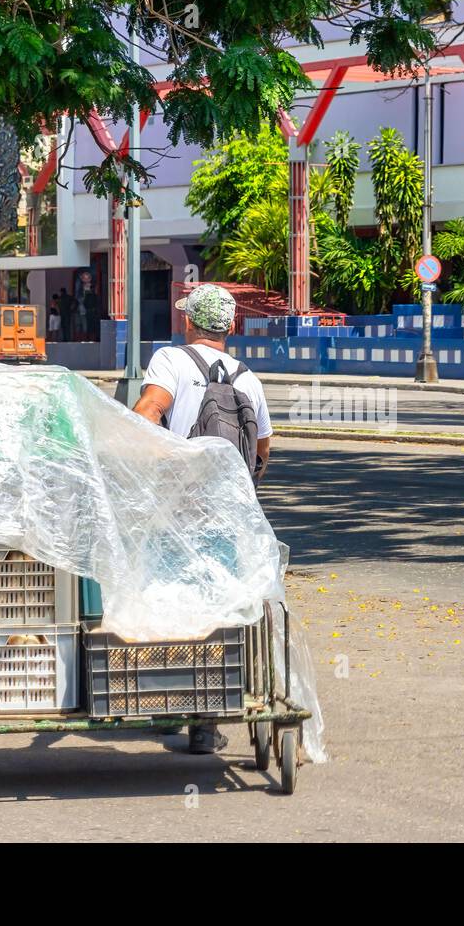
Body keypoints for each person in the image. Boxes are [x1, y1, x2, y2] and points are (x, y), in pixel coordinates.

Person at [131, 283, 272, 756]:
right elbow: (263, 449)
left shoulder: (170, 361)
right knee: (217, 604)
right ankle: (207, 722)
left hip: (175, 506)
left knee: (168, 596)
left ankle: (169, 703)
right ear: (230, 327)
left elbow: (151, 410)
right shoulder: (248, 377)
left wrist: (133, 457)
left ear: (189, 322)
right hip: (227, 513)